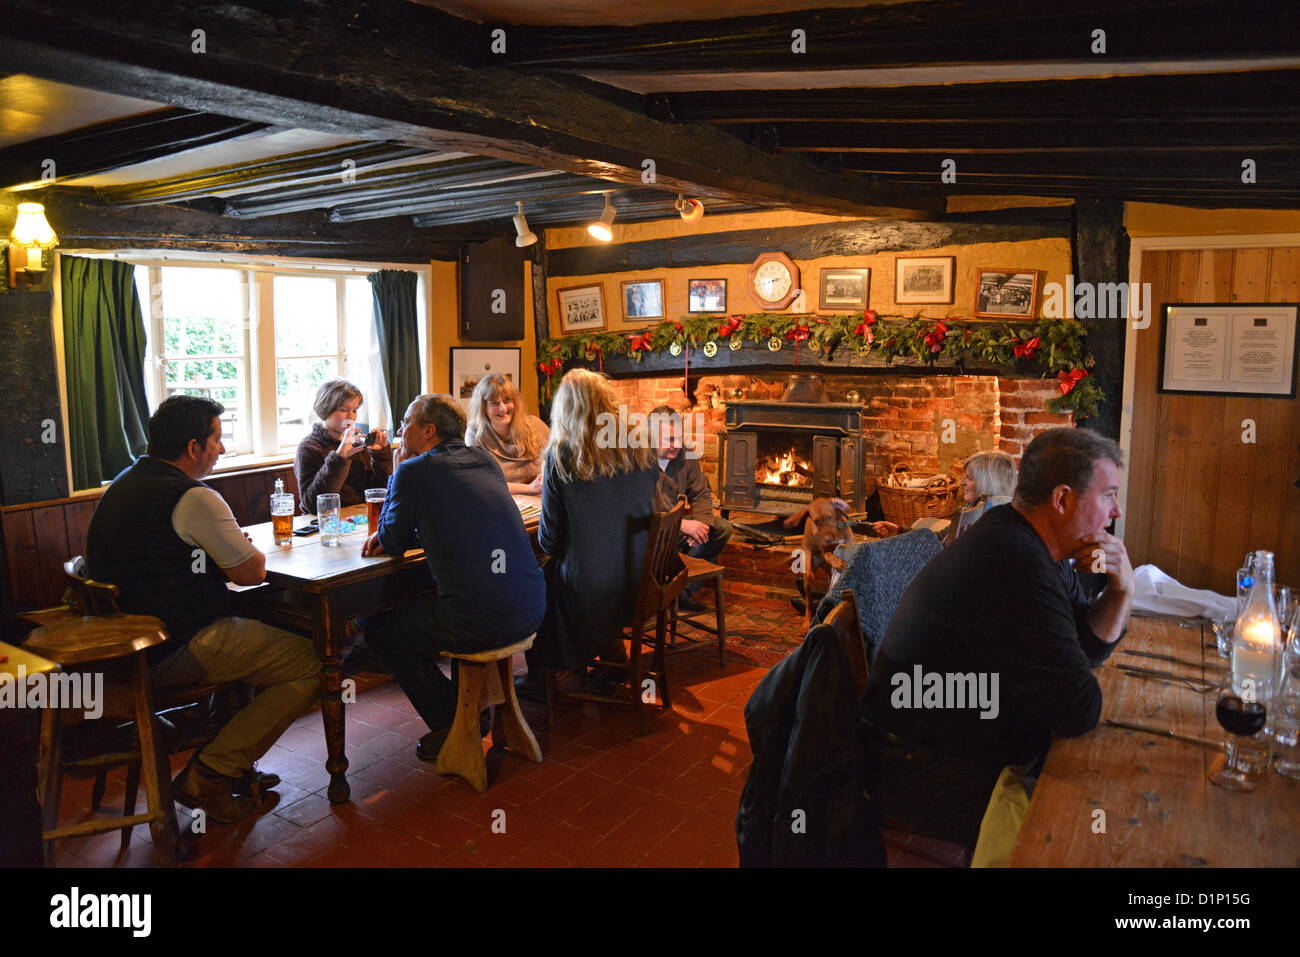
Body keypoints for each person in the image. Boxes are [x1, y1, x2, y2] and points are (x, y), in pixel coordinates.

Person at [861, 427, 1135, 853]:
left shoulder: (1035, 543)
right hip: (920, 770)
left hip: (951, 744)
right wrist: (1118, 600)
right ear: (1062, 500)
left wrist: (1121, 591)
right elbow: (1078, 709)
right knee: (1105, 810)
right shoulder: (1015, 558)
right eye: (1107, 495)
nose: (1115, 511)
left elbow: (1084, 647)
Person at [85, 395, 321, 824]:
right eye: (218, 438)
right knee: (313, 663)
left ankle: (228, 757)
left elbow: (160, 554)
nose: (223, 449)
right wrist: (232, 554)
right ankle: (211, 772)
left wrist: (212, 554)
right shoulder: (194, 497)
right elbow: (251, 573)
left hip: (124, 647)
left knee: (253, 636)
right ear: (194, 447)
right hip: (172, 645)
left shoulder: (124, 482)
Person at [360, 394, 545, 760]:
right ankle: (467, 717)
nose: (400, 430)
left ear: (428, 431)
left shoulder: (412, 471)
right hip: (531, 606)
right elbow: (452, 517)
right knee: (451, 598)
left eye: (406, 423)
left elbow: (392, 540)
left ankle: (457, 723)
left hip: (481, 618)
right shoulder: (484, 459)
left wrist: (398, 468)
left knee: (379, 628)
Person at [520, 369, 660, 695]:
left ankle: (543, 677)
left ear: (565, 409)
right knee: (586, 564)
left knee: (538, 583)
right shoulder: (640, 445)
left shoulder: (561, 457)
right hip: (644, 578)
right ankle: (611, 655)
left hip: (593, 587)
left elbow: (550, 540)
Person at [650, 405, 733, 612]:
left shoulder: (685, 455)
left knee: (721, 528)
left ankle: (681, 591)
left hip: (674, 530)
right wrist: (683, 525)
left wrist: (702, 526)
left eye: (679, 437)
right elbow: (640, 513)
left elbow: (701, 493)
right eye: (670, 439)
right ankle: (664, 592)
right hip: (649, 532)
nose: (676, 444)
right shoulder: (637, 461)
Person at [871, 450, 1016, 544]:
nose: (961, 482)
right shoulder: (973, 511)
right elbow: (939, 537)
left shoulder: (984, 525)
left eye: (969, 478)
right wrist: (899, 530)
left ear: (987, 483)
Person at [294, 377, 392, 514]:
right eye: (343, 409)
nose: (351, 417)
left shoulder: (358, 443)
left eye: (354, 410)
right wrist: (340, 457)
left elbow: (379, 491)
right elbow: (312, 504)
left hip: (358, 519)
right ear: (325, 410)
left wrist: (380, 456)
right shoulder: (309, 447)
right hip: (324, 522)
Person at [464, 372, 550, 495]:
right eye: (495, 403)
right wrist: (530, 488)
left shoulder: (535, 425)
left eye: (507, 400)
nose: (503, 408)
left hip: (540, 503)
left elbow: (560, 460)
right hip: (500, 504)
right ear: (483, 407)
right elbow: (481, 482)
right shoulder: (475, 433)